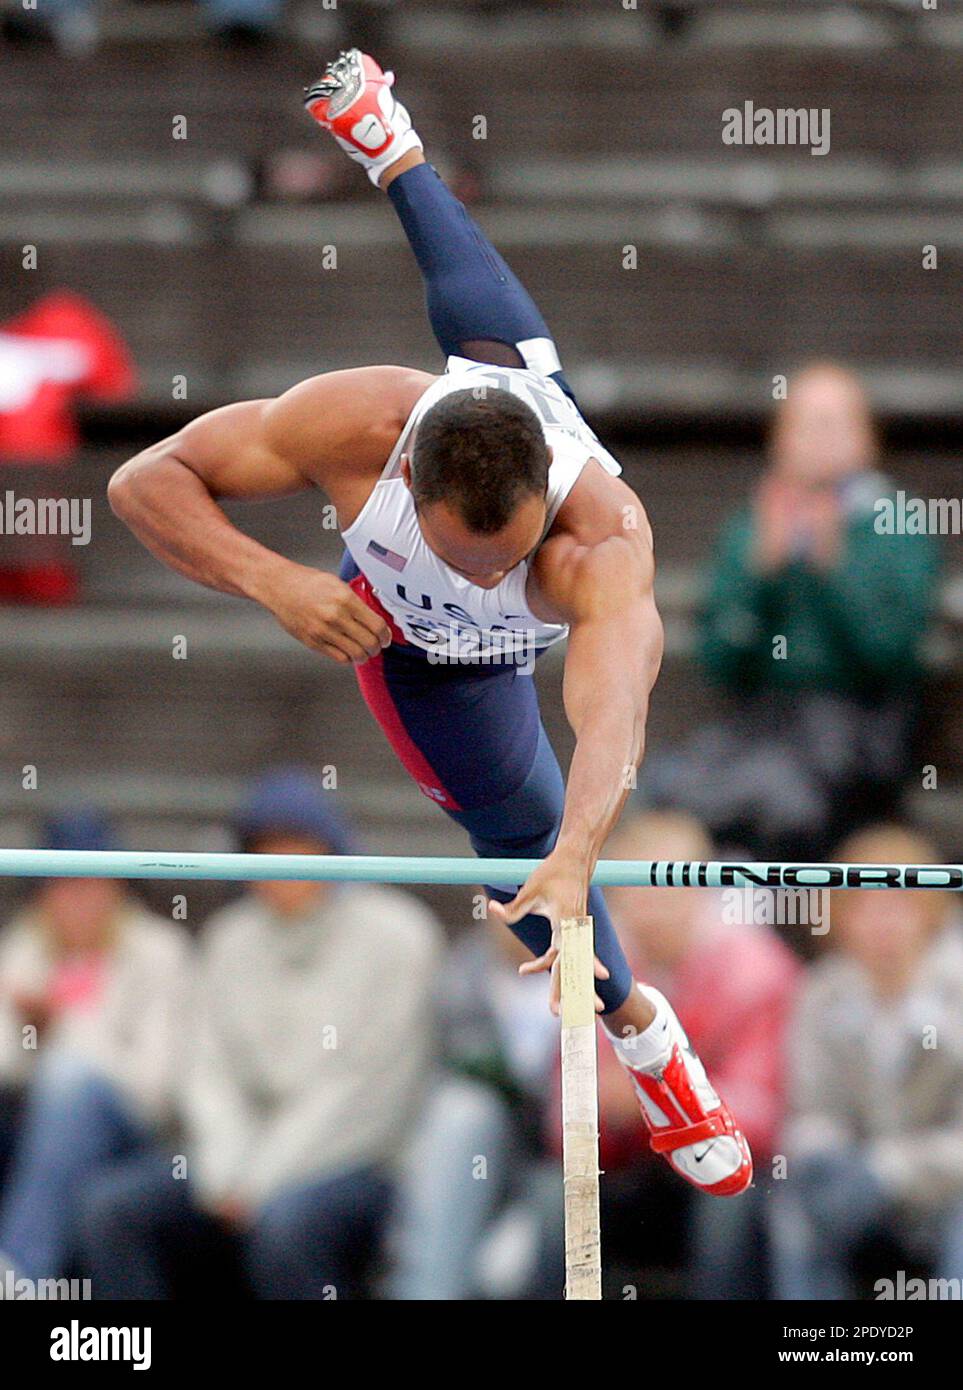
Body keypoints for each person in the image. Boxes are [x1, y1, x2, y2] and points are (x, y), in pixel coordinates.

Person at [107, 49, 751, 1198]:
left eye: (498, 557)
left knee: (540, 872)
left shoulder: (597, 544)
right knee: (503, 346)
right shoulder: (358, 423)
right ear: (411, 469)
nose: (479, 569)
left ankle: (643, 1032)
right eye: (460, 548)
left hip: (491, 667)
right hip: (414, 656)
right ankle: (388, 139)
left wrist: (580, 853)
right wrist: (279, 582)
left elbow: (610, 713)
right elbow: (141, 483)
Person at [75, 768, 441, 1299]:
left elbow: (365, 1095)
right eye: (266, 847)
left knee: (286, 1228)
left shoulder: (398, 936)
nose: (282, 863)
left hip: (355, 1163)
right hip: (231, 1162)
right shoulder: (229, 940)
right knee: (110, 1209)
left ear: (331, 847)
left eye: (297, 843)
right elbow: (206, 1069)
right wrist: (228, 1172)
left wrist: (260, 1180)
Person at [643, 362, 941, 861]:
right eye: (806, 424)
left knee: (775, 797)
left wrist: (833, 569)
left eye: (835, 424)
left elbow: (892, 655)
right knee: (667, 786)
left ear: (867, 439)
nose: (820, 440)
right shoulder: (752, 528)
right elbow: (719, 660)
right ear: (778, 439)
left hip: (858, 735)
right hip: (760, 727)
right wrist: (761, 574)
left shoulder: (895, 523)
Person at [770, 824, 963, 1301]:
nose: (882, 921)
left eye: (898, 903)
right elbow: (808, 1109)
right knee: (794, 1206)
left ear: (931, 911)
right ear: (840, 917)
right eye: (863, 904)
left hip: (944, 1189)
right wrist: (825, 1159)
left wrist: (885, 1170)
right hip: (851, 1183)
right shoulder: (821, 992)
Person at [0, 809, 189, 1281]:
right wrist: (27, 1029)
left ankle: (21, 1276)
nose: (78, 899)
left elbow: (154, 1093)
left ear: (118, 887)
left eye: (92, 882)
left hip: (139, 1136)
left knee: (68, 1077)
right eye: (62, 884)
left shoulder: (158, 951)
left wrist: (64, 1026)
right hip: (38, 1133)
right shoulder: (24, 947)